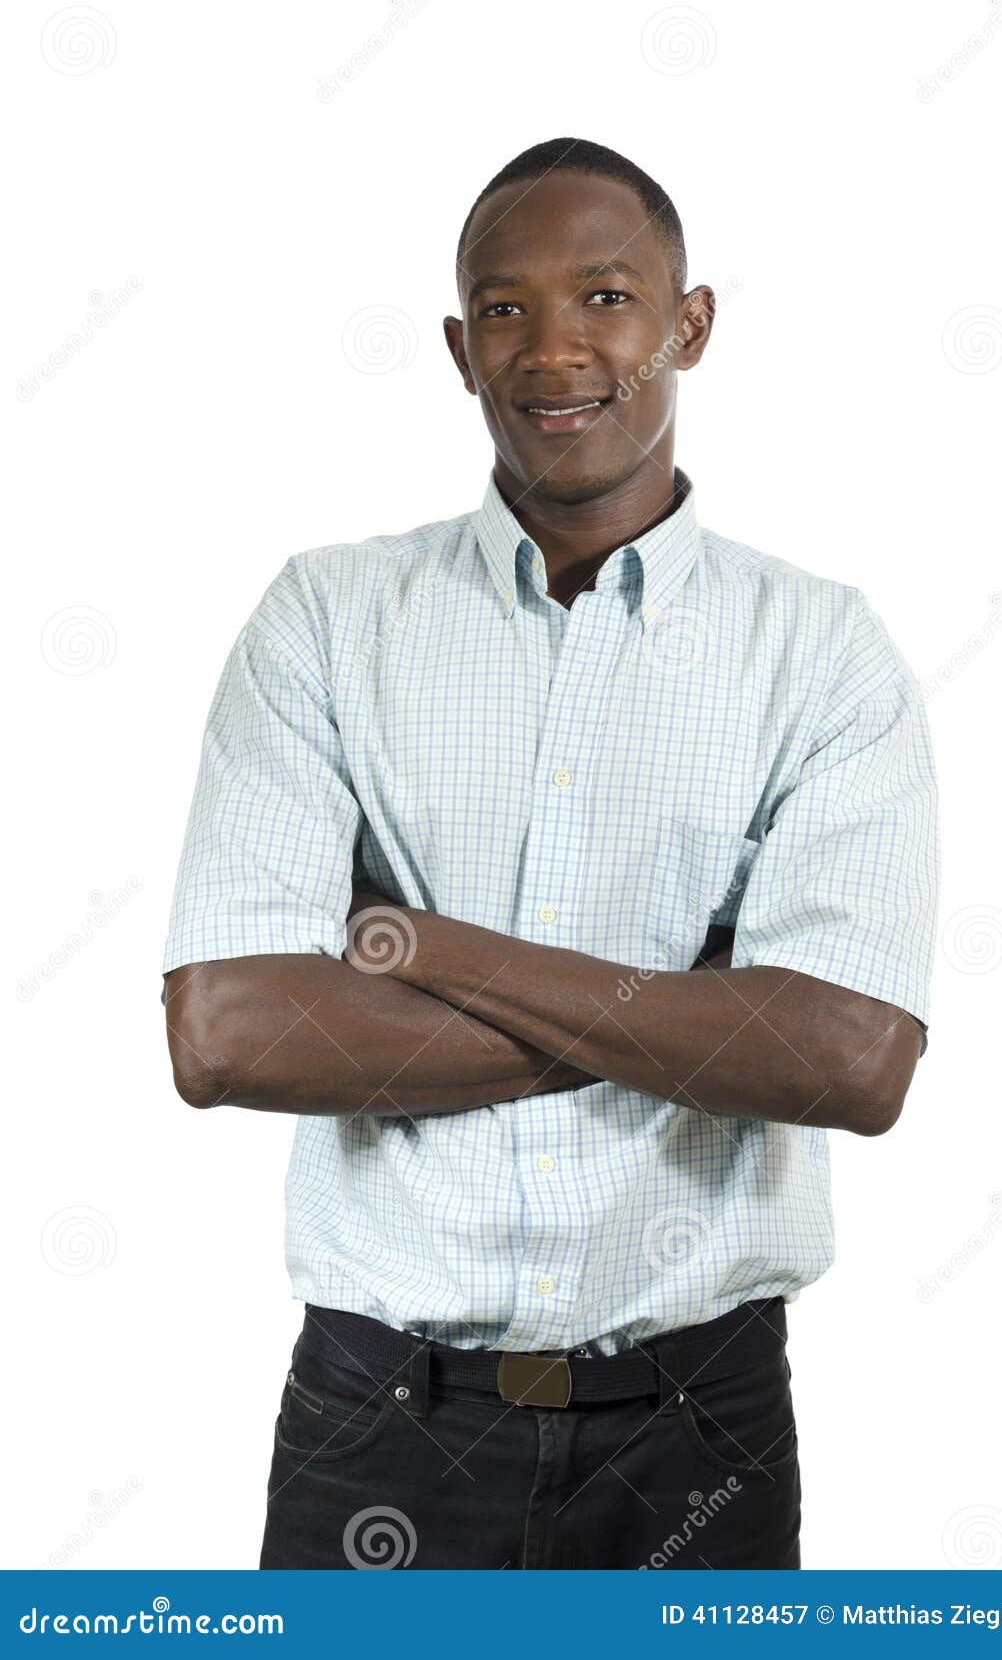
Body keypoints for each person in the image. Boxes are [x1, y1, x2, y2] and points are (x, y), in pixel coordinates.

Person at [161, 137, 939, 1571]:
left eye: (606, 298)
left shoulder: (821, 652)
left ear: (689, 324)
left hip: (699, 1430)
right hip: (379, 1417)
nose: (554, 349)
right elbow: (225, 1034)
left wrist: (419, 948)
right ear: (461, 350)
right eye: (505, 309)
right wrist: (698, 1011)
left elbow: (850, 1061)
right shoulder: (325, 619)